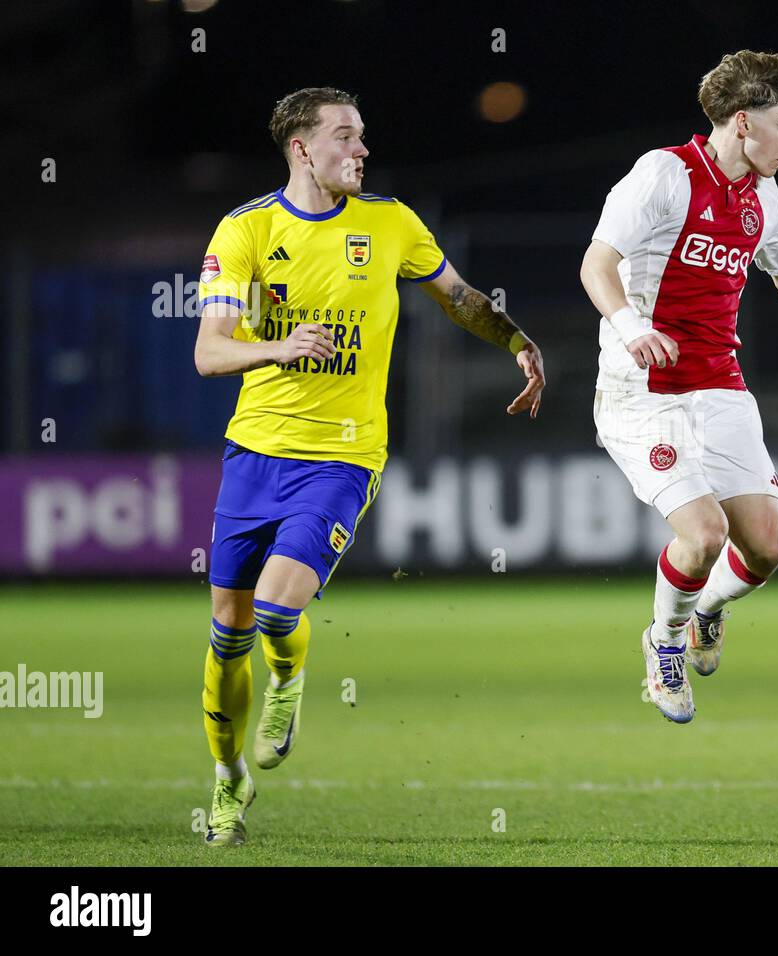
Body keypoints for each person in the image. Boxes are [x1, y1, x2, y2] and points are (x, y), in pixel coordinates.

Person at [192, 87, 545, 844]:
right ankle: (226, 781)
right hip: (254, 454)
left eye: (362, 138)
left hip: (345, 455)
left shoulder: (390, 222)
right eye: (346, 137)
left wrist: (517, 341)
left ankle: (287, 677)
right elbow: (208, 350)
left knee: (279, 610)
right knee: (227, 632)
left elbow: (459, 298)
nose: (362, 150)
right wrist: (277, 347)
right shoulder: (246, 230)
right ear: (301, 149)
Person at [580, 51, 778, 723]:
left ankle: (705, 611)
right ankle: (661, 644)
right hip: (645, 390)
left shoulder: (761, 195)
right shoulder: (662, 175)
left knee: (769, 548)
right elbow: (597, 263)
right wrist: (631, 326)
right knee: (704, 533)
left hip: (718, 386)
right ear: (743, 123)